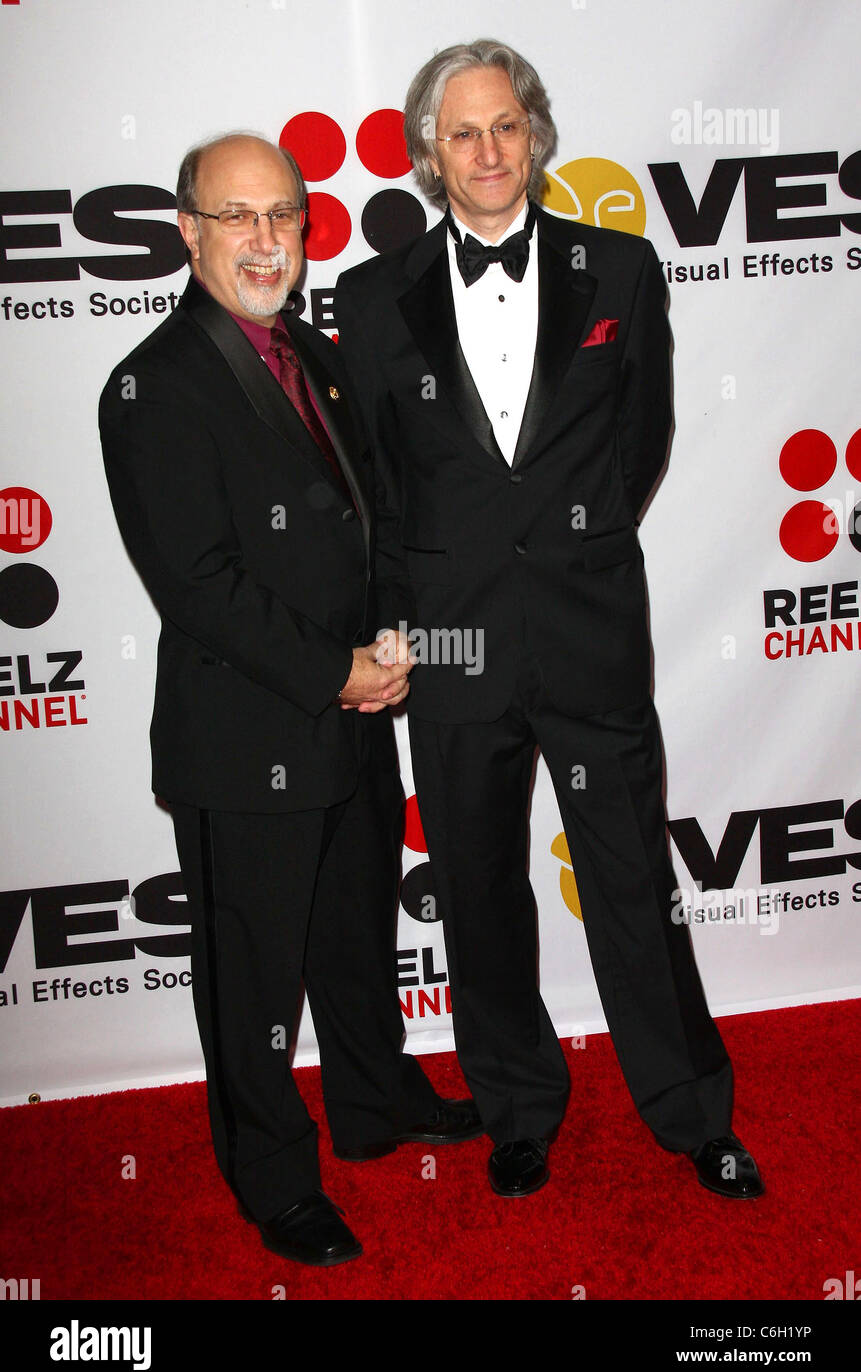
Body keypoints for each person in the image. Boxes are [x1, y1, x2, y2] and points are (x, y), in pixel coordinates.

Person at [335, 42, 763, 1201]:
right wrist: (398, 625)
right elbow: (373, 485)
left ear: (536, 133)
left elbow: (643, 445)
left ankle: (691, 1112)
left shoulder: (621, 271)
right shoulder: (371, 300)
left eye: (506, 127)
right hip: (456, 643)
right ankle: (518, 1104)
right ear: (431, 150)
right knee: (477, 884)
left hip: (590, 632)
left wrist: (575, 545)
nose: (487, 152)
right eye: (462, 133)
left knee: (634, 877)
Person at [99, 132, 481, 1267]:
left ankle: (373, 1102)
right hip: (249, 735)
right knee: (254, 975)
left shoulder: (311, 354)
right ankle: (271, 1176)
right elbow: (199, 586)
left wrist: (393, 638)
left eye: (285, 216)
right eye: (238, 218)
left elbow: (373, 518)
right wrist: (336, 670)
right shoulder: (154, 384)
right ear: (189, 233)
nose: (268, 241)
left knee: (355, 932)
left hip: (356, 720)